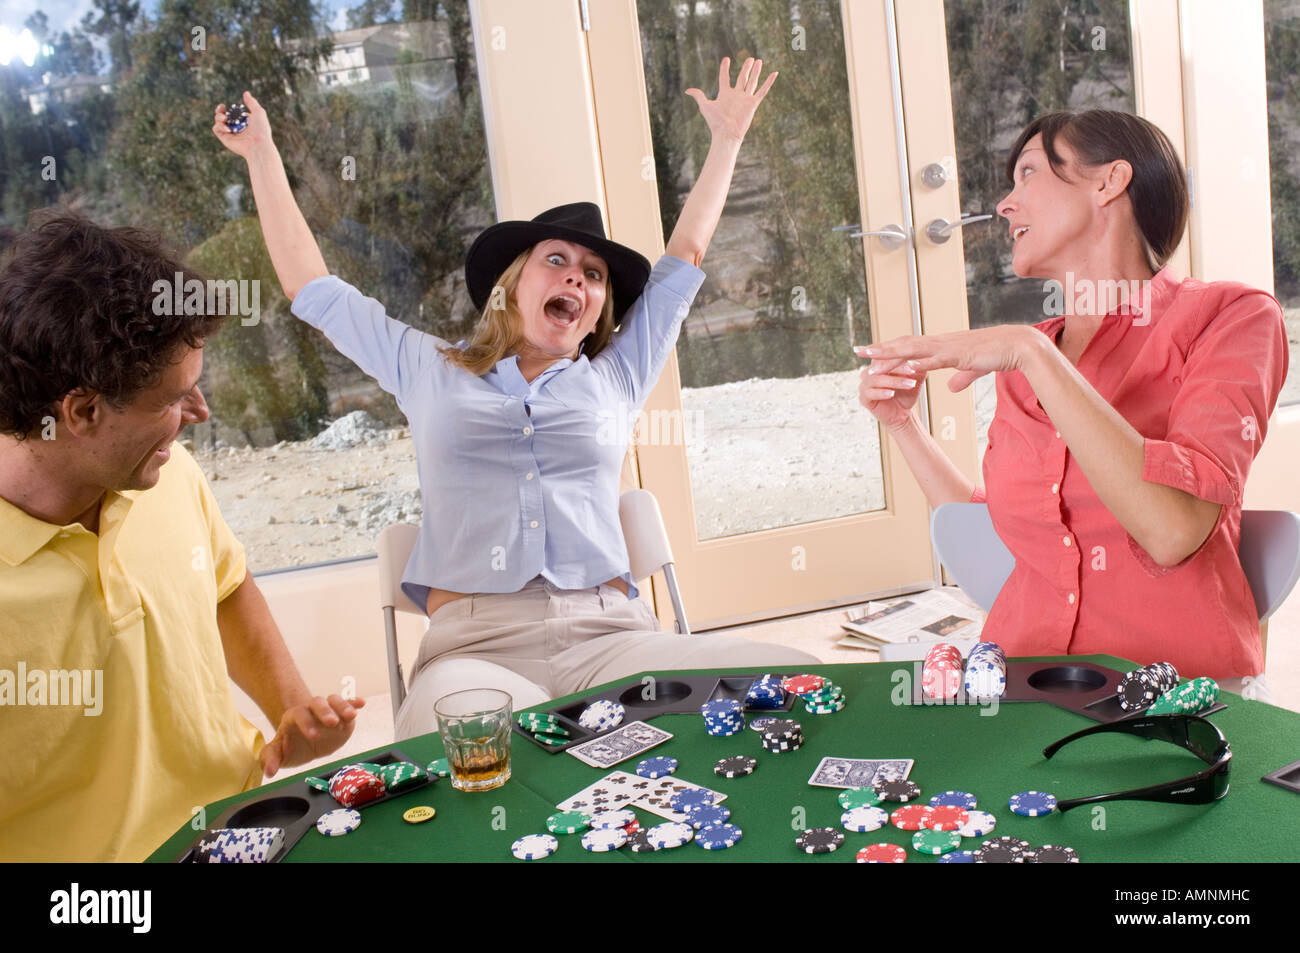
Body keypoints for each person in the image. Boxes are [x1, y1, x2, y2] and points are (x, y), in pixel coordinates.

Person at [213, 57, 820, 739]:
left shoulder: (616, 376)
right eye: (555, 260)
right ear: (511, 284)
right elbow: (312, 288)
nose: (577, 278)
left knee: (795, 677)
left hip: (614, 638)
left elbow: (686, 255)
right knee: (466, 741)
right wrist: (261, 154)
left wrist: (728, 140)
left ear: (596, 315)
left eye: (592, 275)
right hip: (474, 646)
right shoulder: (428, 368)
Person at [856, 109, 1288, 699]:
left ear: (1109, 182)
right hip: (1021, 689)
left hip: (1176, 696)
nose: (1005, 206)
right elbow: (999, 529)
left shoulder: (1230, 318)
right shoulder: (1027, 358)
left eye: (1028, 173)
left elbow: (1174, 531)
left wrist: (1032, 353)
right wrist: (903, 425)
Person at [0, 210, 365, 861]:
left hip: (246, 831)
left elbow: (223, 585)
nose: (199, 413)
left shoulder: (167, 477)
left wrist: (291, 705)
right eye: (174, 398)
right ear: (82, 411)